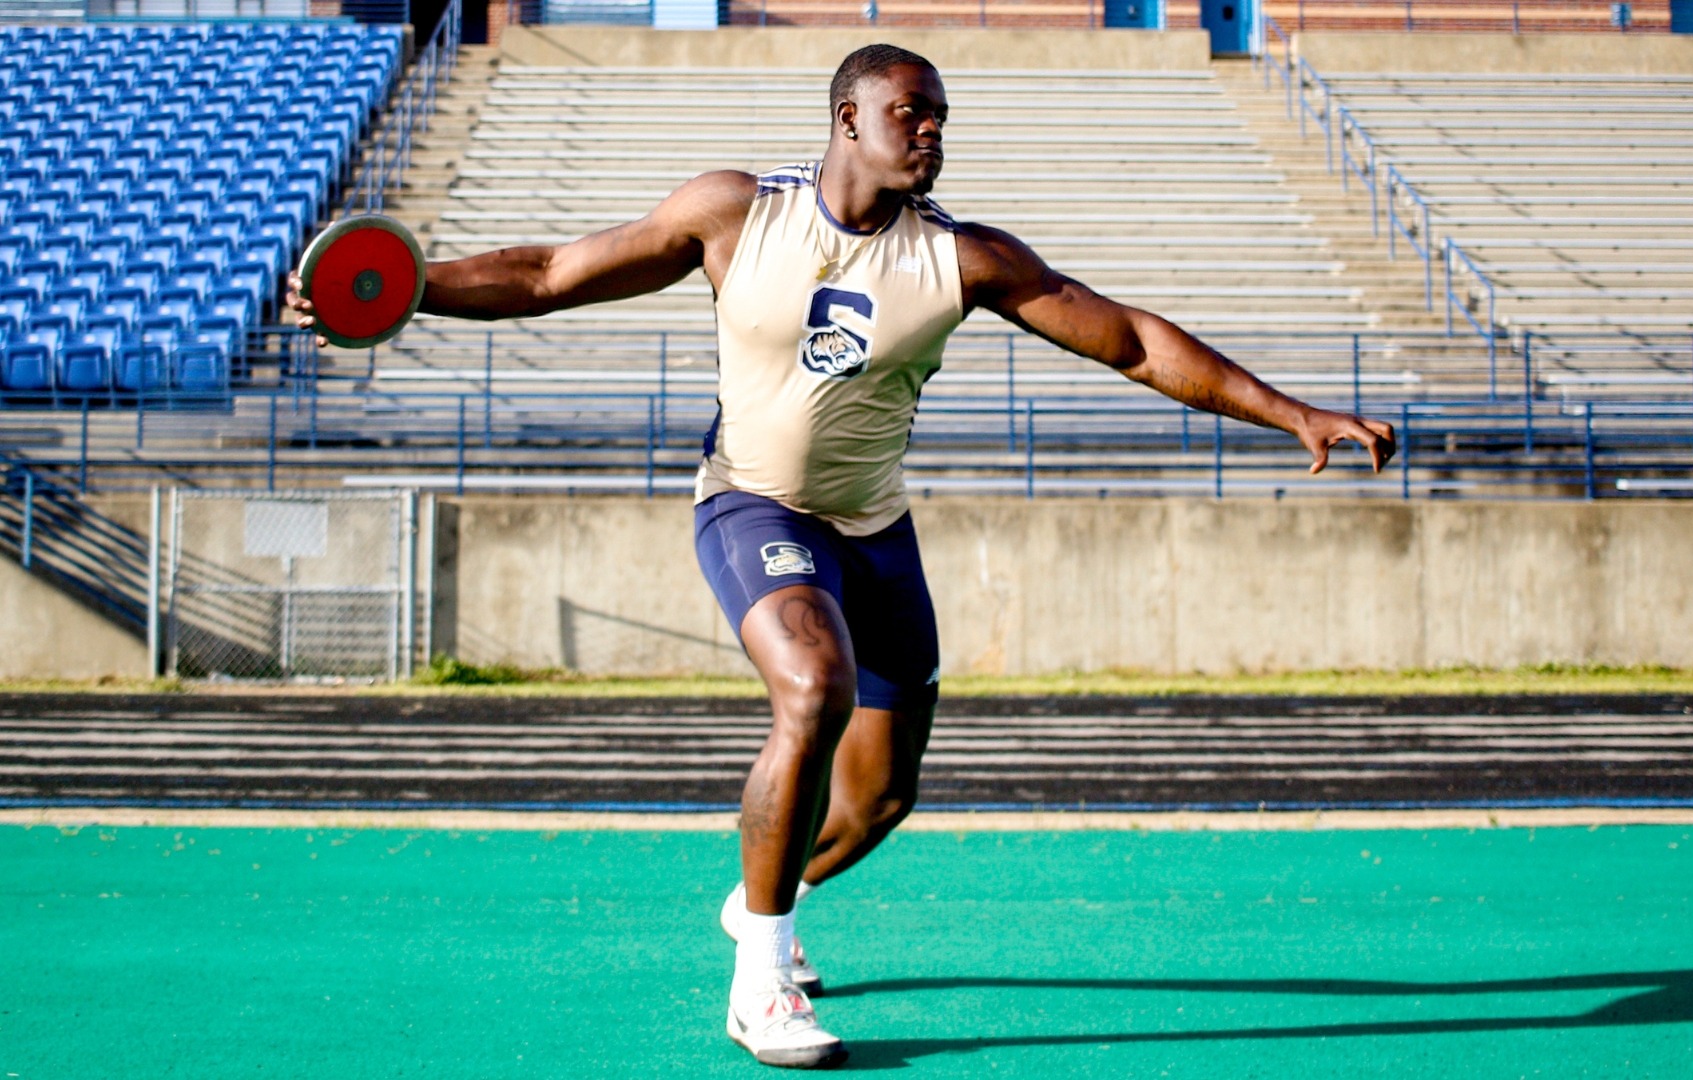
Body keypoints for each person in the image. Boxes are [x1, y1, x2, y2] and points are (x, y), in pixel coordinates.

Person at [290, 43, 1396, 1070]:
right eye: (909, 113)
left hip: (876, 532)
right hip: (753, 506)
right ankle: (762, 981)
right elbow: (549, 273)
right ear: (846, 119)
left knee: (878, 803)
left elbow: (1136, 342)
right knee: (809, 689)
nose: (930, 134)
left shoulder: (962, 258)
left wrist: (1290, 411)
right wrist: (403, 285)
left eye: (941, 120)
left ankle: (762, 895)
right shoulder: (733, 214)